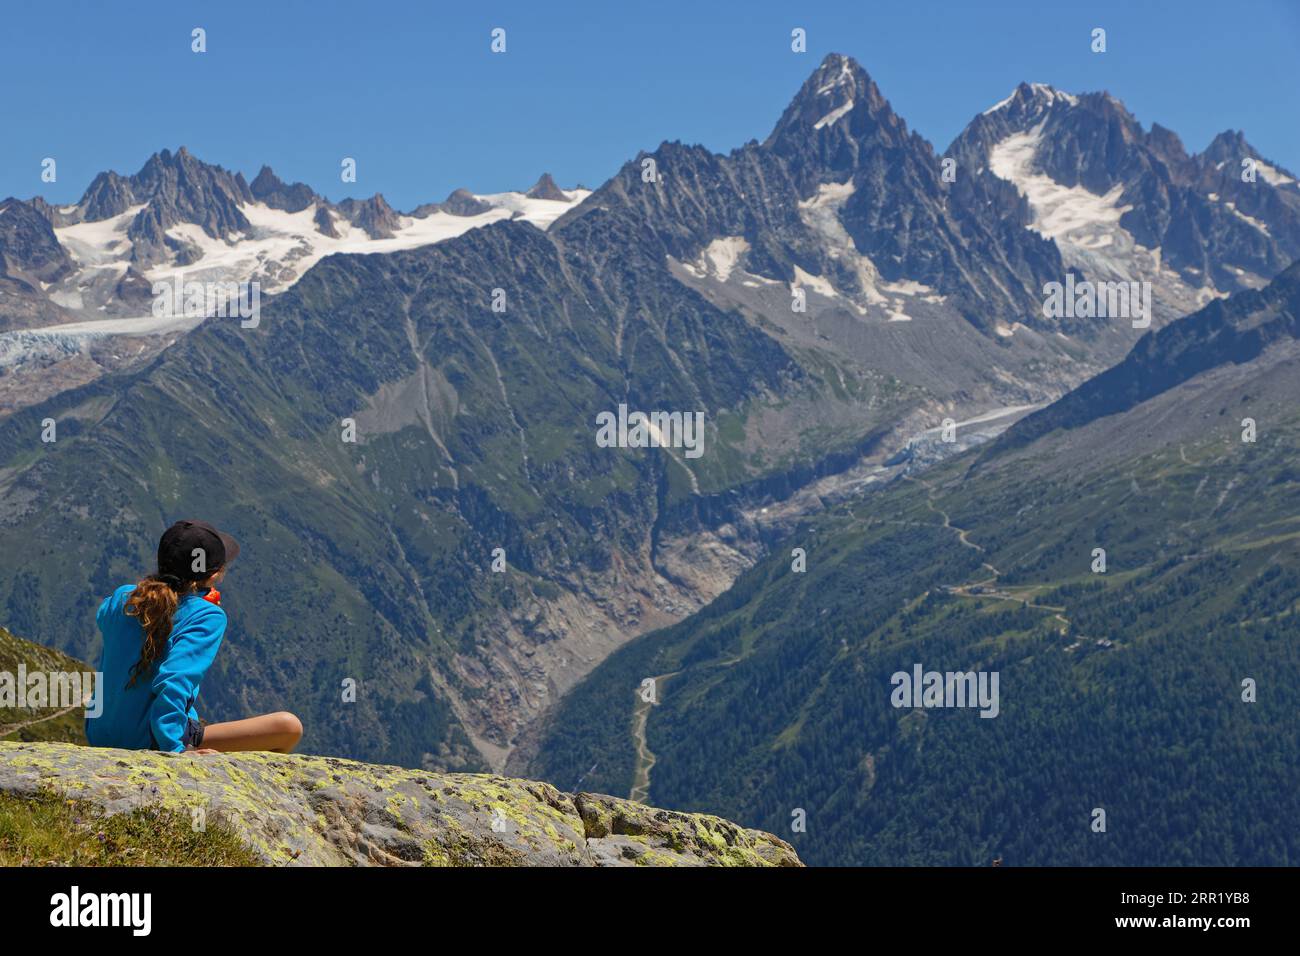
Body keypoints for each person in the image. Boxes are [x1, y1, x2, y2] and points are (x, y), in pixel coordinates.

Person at [86, 519, 303, 755]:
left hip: (100, 733)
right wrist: (175, 751)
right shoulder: (207, 616)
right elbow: (173, 682)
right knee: (288, 726)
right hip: (151, 741)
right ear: (213, 575)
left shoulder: (122, 598)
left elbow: (104, 615)